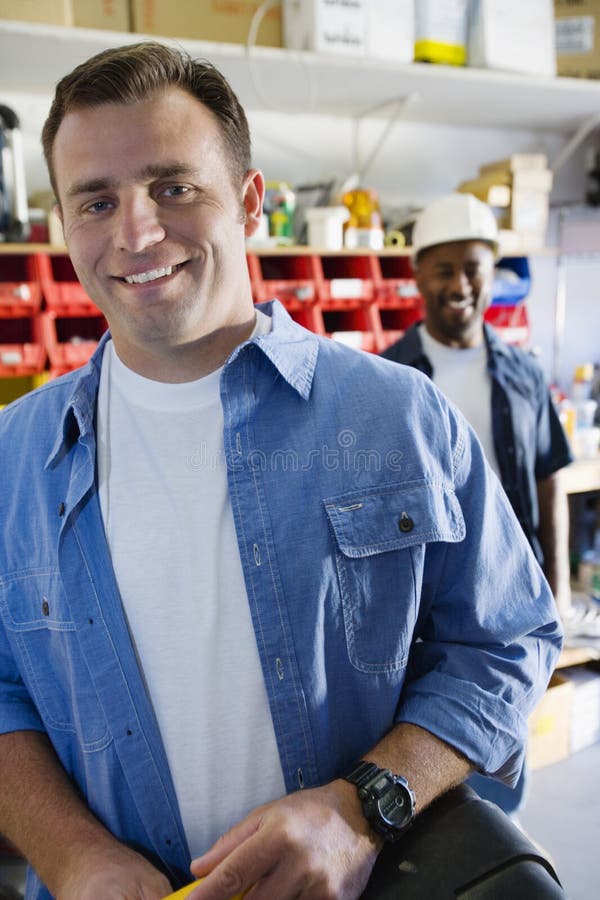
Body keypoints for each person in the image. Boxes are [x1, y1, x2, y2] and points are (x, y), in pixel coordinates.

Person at [0, 44, 562, 900]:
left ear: (252, 202)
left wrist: (363, 807)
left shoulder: (395, 416)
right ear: (63, 225)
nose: (137, 232)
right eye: (97, 200)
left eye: (174, 187)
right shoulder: (15, 457)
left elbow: (507, 641)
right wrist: (73, 855)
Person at [381, 192, 573, 816]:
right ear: (418, 276)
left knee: (503, 769)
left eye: (475, 268)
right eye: (445, 268)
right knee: (428, 754)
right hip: (424, 602)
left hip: (510, 597)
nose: (461, 284)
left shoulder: (522, 374)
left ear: (493, 277)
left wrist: (561, 586)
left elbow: (551, 479)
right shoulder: (387, 380)